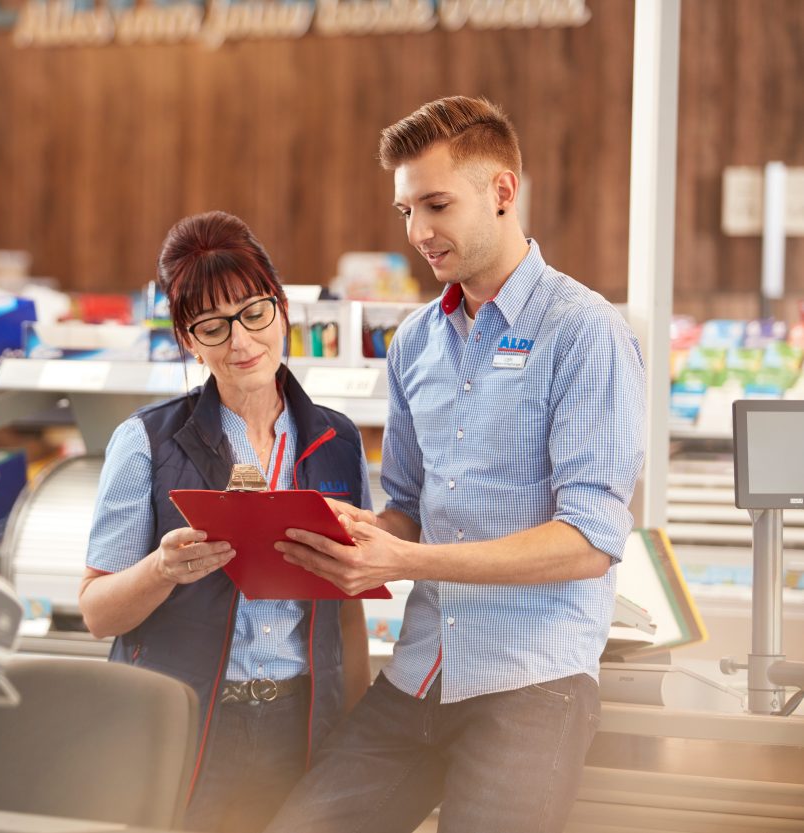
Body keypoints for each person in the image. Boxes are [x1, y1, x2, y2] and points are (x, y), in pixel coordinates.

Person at [264, 96, 646, 833]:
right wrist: (358, 533)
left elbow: (589, 542)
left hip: (533, 683)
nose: (418, 232)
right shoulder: (413, 343)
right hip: (417, 673)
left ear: (502, 192)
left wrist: (405, 555)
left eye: (436, 204)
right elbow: (406, 503)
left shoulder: (585, 333)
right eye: (405, 211)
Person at [78, 210, 373, 833]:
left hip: (301, 727)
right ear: (189, 340)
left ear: (282, 308)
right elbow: (98, 612)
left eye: (253, 313)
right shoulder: (147, 443)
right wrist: (162, 569)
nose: (241, 343)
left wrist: (353, 732)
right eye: (212, 326)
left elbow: (349, 607)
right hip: (185, 731)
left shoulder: (336, 441)